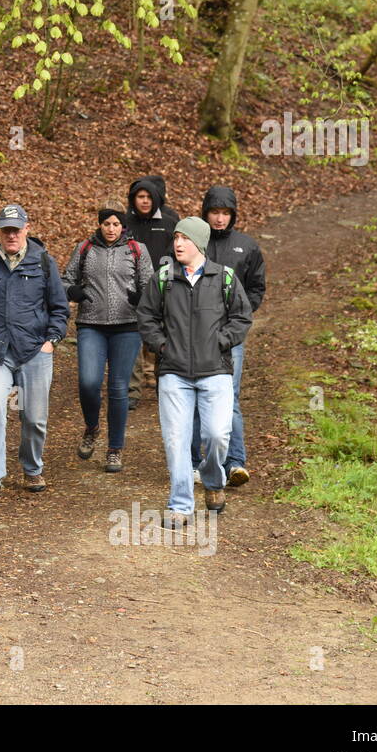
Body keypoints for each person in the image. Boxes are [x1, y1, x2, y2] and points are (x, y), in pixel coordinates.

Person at [136, 217, 253, 527]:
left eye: (184, 239)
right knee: (176, 439)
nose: (178, 244)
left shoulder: (224, 277)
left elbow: (242, 318)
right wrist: (161, 346)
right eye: (175, 238)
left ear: (199, 243)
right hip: (174, 373)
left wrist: (220, 342)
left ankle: (214, 482)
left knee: (217, 435)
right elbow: (146, 316)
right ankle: (180, 505)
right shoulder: (163, 278)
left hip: (215, 371)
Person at [0, 204, 69, 501]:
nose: (11, 235)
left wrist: (52, 340)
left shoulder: (44, 262)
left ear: (26, 229)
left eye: (16, 229)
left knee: (33, 418)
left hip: (34, 351)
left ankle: (32, 467)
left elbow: (60, 308)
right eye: (6, 230)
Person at [61, 208, 153, 473]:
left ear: (123, 227)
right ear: (99, 225)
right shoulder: (85, 248)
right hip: (91, 324)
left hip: (127, 327)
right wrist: (74, 292)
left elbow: (150, 284)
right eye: (106, 224)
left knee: (118, 388)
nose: (111, 229)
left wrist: (141, 298)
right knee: (88, 382)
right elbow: (65, 279)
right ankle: (91, 427)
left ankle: (115, 449)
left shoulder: (137, 249)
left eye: (116, 224)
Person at [189, 185, 267, 487]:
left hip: (231, 335)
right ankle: (194, 462)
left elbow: (257, 287)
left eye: (225, 213)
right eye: (214, 212)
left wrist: (241, 314)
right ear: (205, 212)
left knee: (229, 397)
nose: (219, 219)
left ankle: (235, 462)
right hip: (194, 334)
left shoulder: (246, 246)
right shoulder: (194, 242)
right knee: (195, 395)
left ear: (232, 215)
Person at [125, 175, 183, 408]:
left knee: (162, 339)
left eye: (150, 197)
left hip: (163, 289)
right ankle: (132, 391)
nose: (145, 201)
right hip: (130, 290)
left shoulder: (169, 223)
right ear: (133, 199)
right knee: (131, 340)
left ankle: (165, 386)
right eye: (141, 197)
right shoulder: (125, 223)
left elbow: (176, 256)